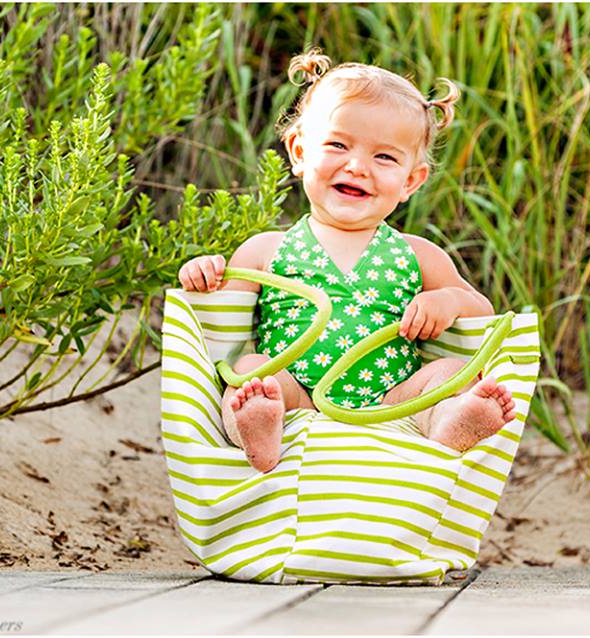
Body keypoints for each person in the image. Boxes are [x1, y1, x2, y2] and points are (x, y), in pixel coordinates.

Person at [177, 49, 516, 472]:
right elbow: (221, 315)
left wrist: (447, 301)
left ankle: (448, 422)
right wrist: (204, 272)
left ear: (410, 181)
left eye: (384, 157)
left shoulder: (418, 254)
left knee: (449, 371)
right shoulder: (266, 249)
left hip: (393, 400)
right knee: (250, 371)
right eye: (338, 145)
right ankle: (257, 428)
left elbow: (482, 311)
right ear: (300, 152)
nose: (357, 166)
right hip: (294, 393)